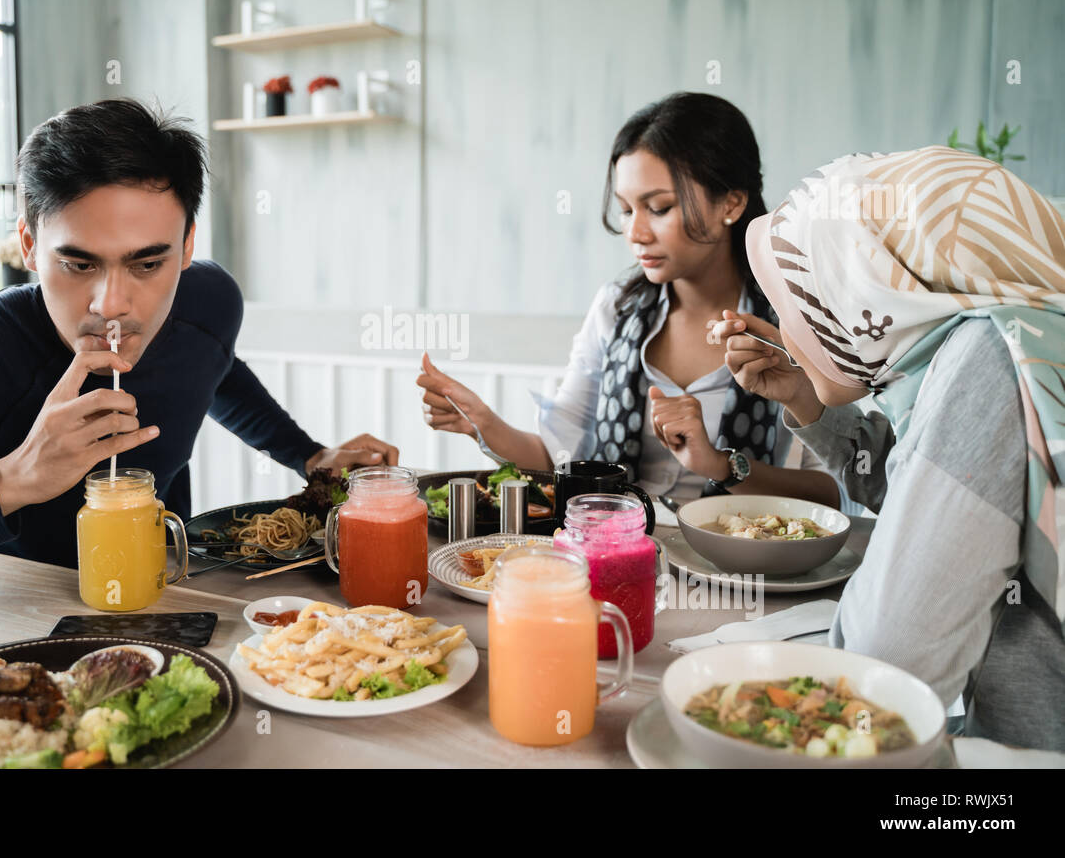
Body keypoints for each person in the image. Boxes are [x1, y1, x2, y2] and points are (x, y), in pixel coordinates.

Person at [0, 99, 396, 623]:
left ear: (187, 246)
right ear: (29, 244)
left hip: (173, 614)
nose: (113, 305)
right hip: (10, 650)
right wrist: (12, 481)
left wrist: (308, 456)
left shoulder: (208, 299)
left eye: (149, 263)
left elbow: (214, 368)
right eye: (78, 263)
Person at [719, 144, 1065, 751]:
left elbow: (885, 666)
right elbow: (952, 486)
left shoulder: (989, 360)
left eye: (797, 296)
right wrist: (809, 396)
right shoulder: (1035, 339)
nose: (786, 323)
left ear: (866, 295)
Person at [418, 92, 838, 507]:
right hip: (621, 552)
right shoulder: (617, 307)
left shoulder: (795, 312)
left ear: (730, 202)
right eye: (625, 209)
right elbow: (557, 458)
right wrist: (483, 424)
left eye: (658, 208)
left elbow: (834, 493)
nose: (635, 234)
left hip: (751, 565)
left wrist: (721, 465)